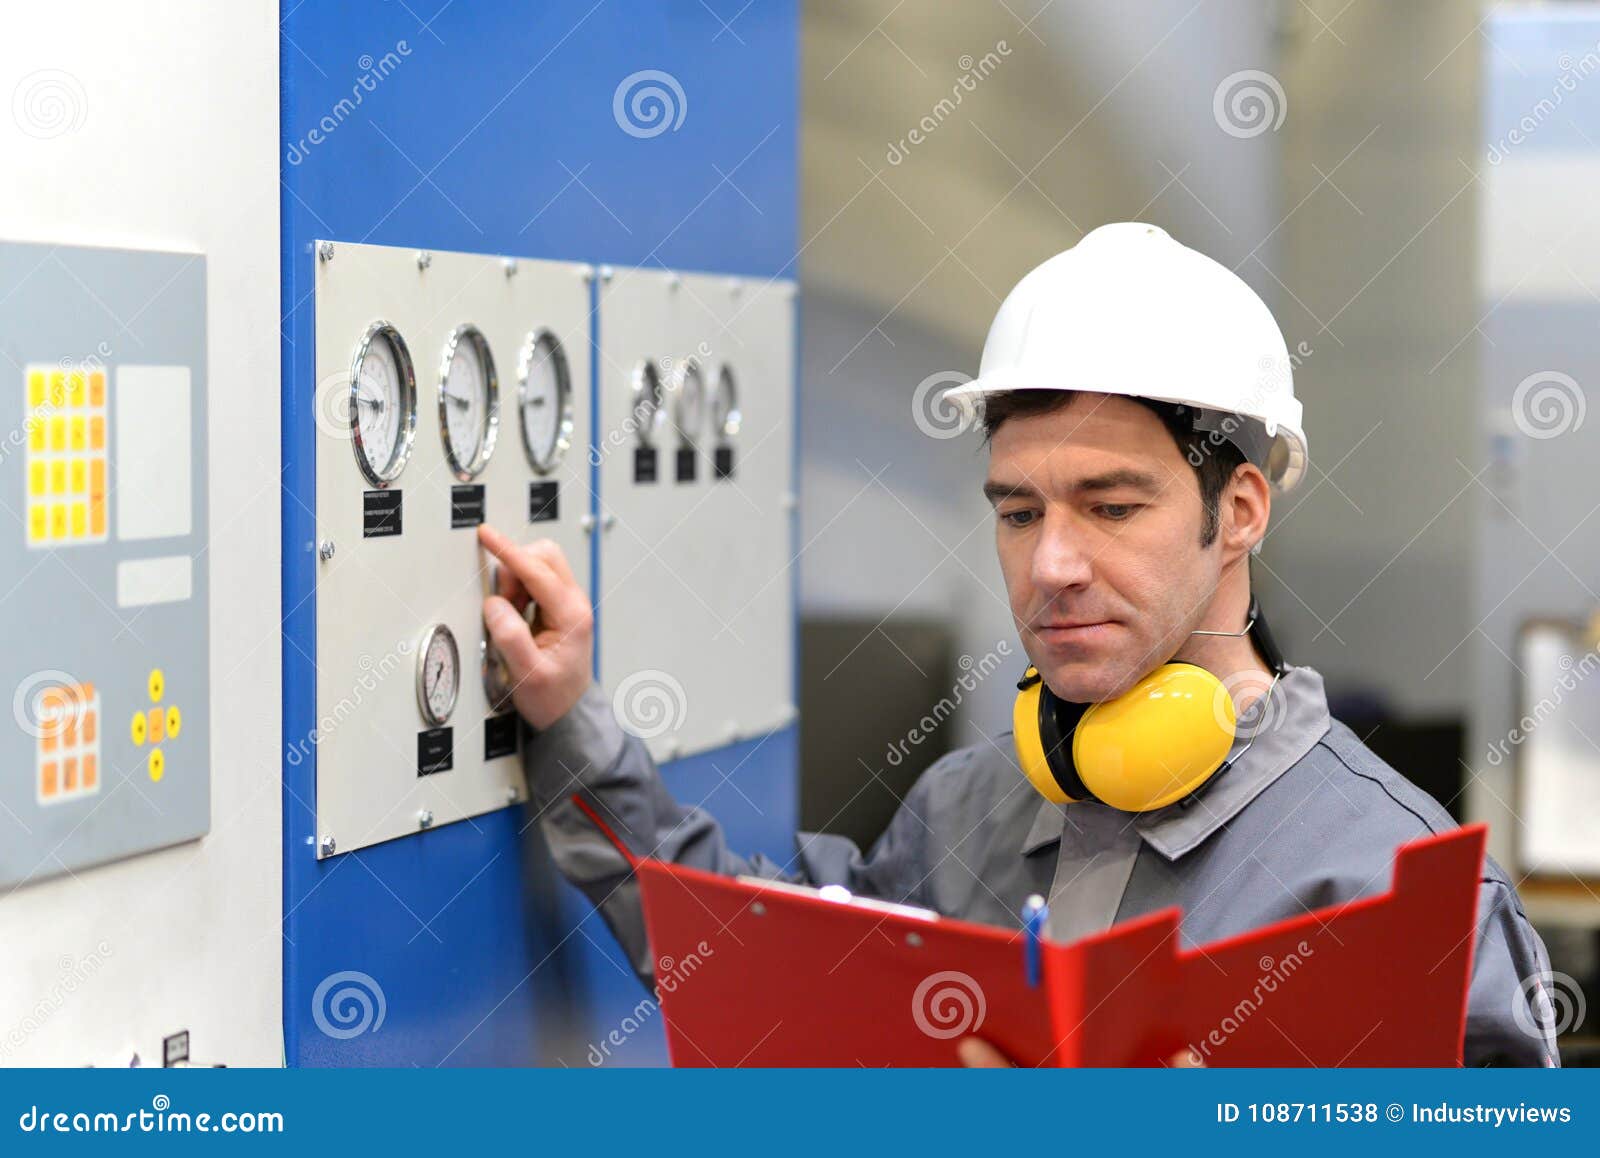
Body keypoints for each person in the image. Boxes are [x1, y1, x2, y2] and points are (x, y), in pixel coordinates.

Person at [477, 222, 1558, 1067]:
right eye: (1018, 511)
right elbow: (735, 950)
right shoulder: (971, 810)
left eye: (1111, 506)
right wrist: (569, 715)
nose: (1050, 567)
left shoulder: (1389, 890)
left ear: (1237, 511)